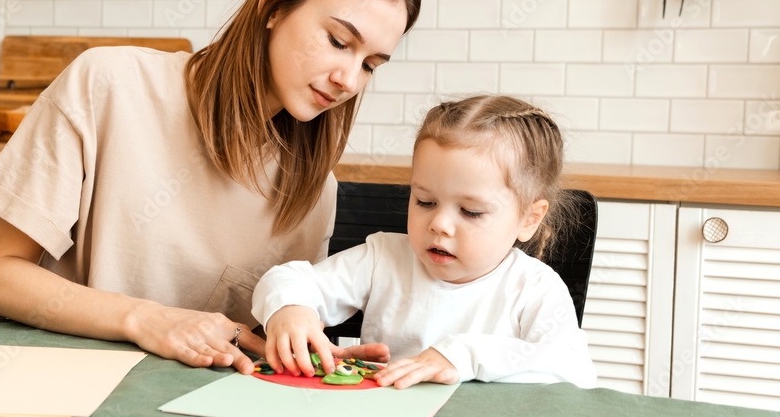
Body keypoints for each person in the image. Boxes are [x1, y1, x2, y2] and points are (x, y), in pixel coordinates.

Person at [0, 0, 421, 375]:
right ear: (274, 5)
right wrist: (145, 320)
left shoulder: (314, 192)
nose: (349, 80)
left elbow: (242, 338)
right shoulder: (107, 85)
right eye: (338, 42)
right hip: (55, 380)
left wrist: (301, 351)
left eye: (369, 65)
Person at [252, 96, 598, 389]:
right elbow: (287, 280)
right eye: (425, 202)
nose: (440, 225)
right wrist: (289, 308)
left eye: (471, 211)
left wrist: (462, 355)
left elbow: (574, 367)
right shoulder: (383, 258)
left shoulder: (535, 288)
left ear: (529, 219)